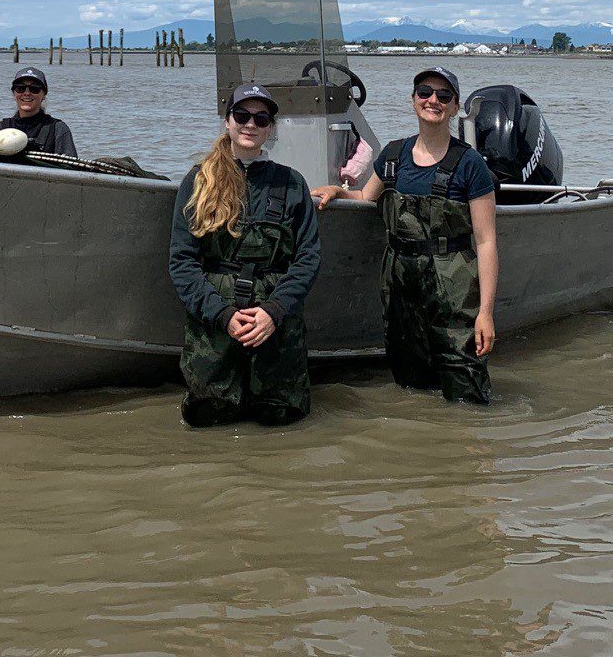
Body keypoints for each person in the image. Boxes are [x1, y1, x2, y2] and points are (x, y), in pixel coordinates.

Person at [313, 65, 499, 404]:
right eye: (425, 93)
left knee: (466, 388)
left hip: (453, 288)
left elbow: (486, 242)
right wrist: (338, 192)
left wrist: (485, 311)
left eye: (444, 96)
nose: (433, 101)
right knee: (411, 389)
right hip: (400, 287)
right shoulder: (393, 156)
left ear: (455, 106)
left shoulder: (470, 164)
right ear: (413, 100)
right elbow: (365, 197)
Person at [167, 83, 321, 427]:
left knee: (281, 419)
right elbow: (182, 261)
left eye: (261, 118)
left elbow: (307, 259)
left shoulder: (292, 183)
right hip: (215, 324)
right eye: (242, 115)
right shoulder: (198, 181)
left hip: (275, 326)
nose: (250, 124)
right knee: (208, 418)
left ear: (270, 127)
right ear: (228, 121)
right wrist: (221, 314)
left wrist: (274, 312)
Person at [0, 67, 79, 159]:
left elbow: (70, 169)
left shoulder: (57, 129)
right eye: (20, 88)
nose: (27, 93)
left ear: (44, 94)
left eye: (34, 88)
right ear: (14, 94)